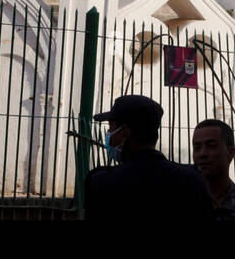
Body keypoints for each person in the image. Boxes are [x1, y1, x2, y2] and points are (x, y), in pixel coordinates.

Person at [83, 94, 214, 221]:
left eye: (111, 128)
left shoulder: (101, 183)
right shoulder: (193, 180)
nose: (109, 134)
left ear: (124, 133)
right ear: (155, 136)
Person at [192, 118, 235, 220]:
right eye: (197, 148)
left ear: (231, 152)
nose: (202, 154)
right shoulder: (182, 205)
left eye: (211, 146)